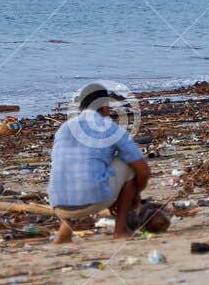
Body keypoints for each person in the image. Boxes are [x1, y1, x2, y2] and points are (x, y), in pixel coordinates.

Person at [47, 85, 151, 243]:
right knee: (128, 166)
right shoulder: (110, 128)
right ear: (104, 105)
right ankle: (120, 230)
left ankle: (65, 230)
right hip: (94, 200)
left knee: (72, 165)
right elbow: (143, 170)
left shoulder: (64, 128)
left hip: (58, 205)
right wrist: (134, 193)